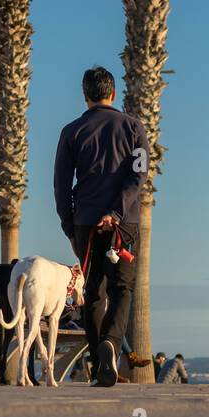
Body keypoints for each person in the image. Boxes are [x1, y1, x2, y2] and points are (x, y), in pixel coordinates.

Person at [53, 66, 148, 387]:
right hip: (126, 224)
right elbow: (139, 175)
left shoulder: (72, 131)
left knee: (93, 293)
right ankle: (111, 341)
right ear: (114, 93)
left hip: (86, 222)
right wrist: (118, 211)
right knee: (122, 288)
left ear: (85, 95)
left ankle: (98, 361)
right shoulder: (134, 128)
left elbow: (61, 184)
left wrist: (69, 225)